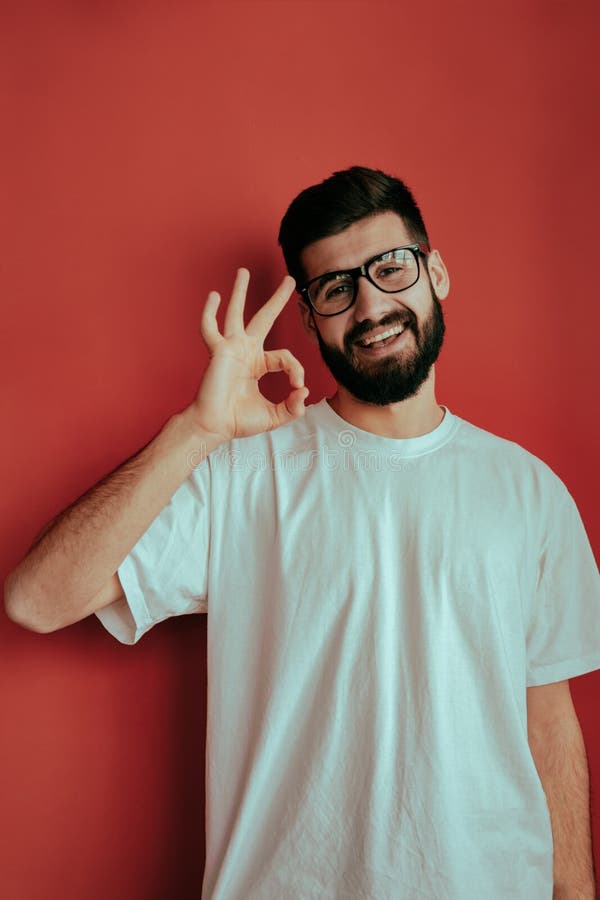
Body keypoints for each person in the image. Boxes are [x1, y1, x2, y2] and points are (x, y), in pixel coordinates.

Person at [5, 166, 600, 900]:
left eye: (391, 268)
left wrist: (577, 890)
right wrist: (197, 432)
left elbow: (549, 723)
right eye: (336, 287)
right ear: (314, 318)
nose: (372, 304)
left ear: (436, 272)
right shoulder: (243, 475)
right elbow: (37, 600)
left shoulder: (530, 492)